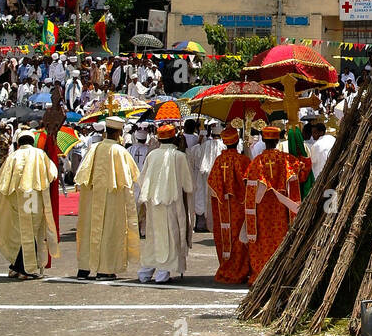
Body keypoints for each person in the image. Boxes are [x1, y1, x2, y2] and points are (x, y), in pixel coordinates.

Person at [0, 129, 58, 280]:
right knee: (31, 233)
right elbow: (52, 174)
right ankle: (25, 269)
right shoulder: (40, 155)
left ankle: (15, 267)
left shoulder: (13, 156)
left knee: (21, 232)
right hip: (33, 197)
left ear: (19, 143)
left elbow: (1, 181)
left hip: (17, 199)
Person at [242, 123, 310, 282]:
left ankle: (262, 271)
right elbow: (301, 171)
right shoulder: (286, 159)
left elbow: (248, 183)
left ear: (264, 141)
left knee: (264, 238)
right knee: (280, 236)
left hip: (263, 208)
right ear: (278, 139)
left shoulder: (257, 161)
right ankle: (280, 271)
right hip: (281, 208)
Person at [74, 116, 140, 280]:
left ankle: (84, 268)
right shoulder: (120, 151)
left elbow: (82, 173)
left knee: (90, 230)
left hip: (92, 197)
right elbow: (131, 176)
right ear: (118, 132)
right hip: (113, 197)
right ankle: (105, 269)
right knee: (110, 232)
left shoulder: (94, 148)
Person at [137, 123, 194, 284]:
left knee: (153, 236)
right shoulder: (179, 156)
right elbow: (188, 185)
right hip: (171, 203)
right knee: (170, 236)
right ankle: (162, 274)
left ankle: (145, 272)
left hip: (153, 203)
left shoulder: (152, 155)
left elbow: (142, 180)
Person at [206, 128, 251, 284]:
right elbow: (248, 183)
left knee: (226, 238)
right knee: (240, 238)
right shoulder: (243, 160)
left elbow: (212, 185)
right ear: (237, 141)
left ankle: (226, 267)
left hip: (222, 207)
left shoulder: (219, 161)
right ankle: (240, 269)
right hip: (239, 206)